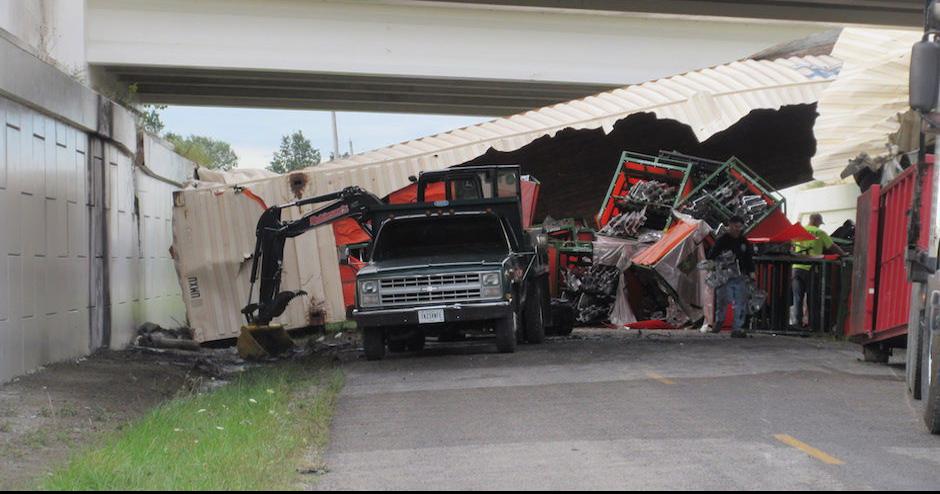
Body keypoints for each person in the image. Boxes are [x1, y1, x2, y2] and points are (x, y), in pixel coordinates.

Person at [791, 213, 846, 329]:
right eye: (820, 223)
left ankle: (797, 324)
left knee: (798, 298)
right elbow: (832, 246)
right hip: (811, 268)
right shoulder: (819, 233)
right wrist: (843, 254)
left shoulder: (799, 230)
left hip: (796, 268)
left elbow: (791, 247)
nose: (820, 226)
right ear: (816, 221)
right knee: (813, 299)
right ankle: (813, 325)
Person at [706, 216, 755, 338]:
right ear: (729, 226)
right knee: (722, 300)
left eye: (739, 227)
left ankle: (737, 328)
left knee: (740, 301)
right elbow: (712, 255)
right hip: (725, 276)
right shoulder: (722, 240)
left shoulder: (744, 241)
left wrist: (751, 272)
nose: (737, 229)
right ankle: (719, 321)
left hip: (740, 275)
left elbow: (749, 257)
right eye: (735, 226)